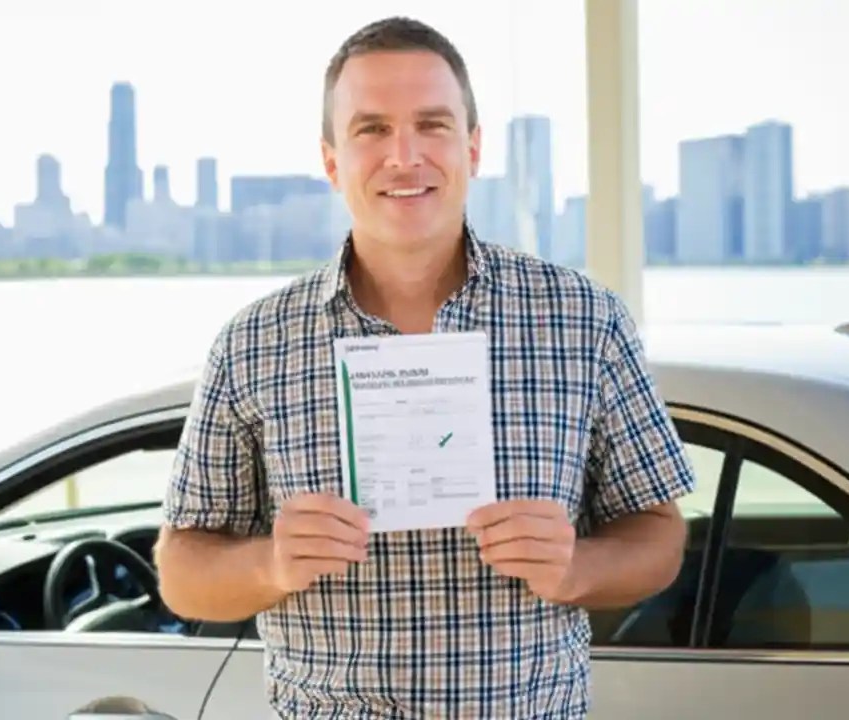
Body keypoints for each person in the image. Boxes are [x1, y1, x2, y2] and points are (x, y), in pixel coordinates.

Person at [154, 15, 696, 719]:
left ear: (472, 148)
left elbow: (659, 535)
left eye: (432, 125)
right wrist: (272, 563)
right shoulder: (252, 343)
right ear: (331, 161)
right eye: (371, 129)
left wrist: (577, 567)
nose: (403, 156)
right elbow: (181, 572)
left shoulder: (586, 320)